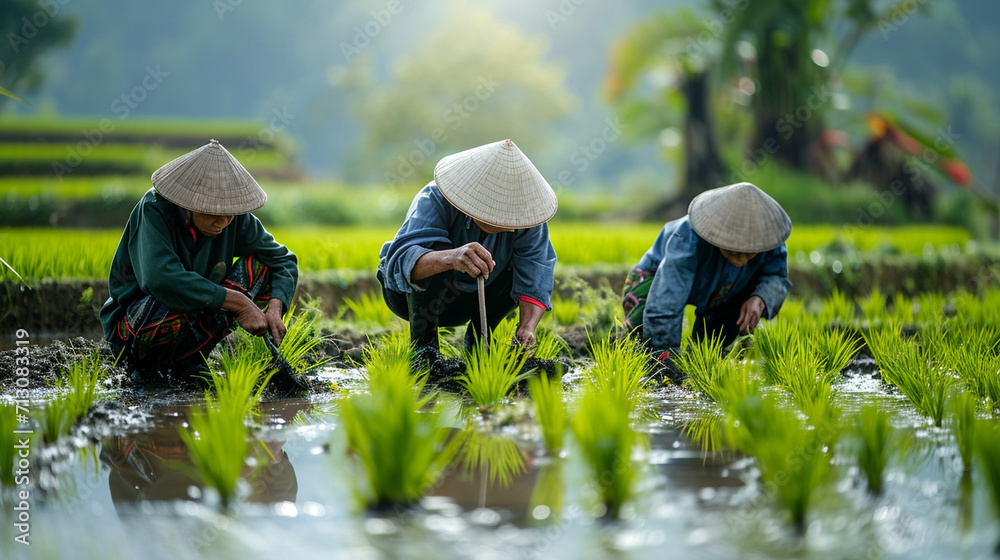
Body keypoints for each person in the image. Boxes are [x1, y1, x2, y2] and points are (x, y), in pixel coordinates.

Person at [100, 139, 299, 382]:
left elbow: (282, 259)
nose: (222, 222)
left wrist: (275, 308)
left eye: (229, 215)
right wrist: (239, 303)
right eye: (213, 213)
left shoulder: (234, 219)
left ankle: (191, 359)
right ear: (189, 203)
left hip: (194, 316)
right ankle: (145, 368)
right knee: (172, 299)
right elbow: (161, 278)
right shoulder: (154, 210)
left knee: (262, 266)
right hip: (137, 324)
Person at [378, 139, 557, 359]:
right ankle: (424, 350)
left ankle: (480, 342)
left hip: (475, 303)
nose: (507, 224)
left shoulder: (527, 218)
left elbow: (536, 272)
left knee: (519, 271)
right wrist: (452, 258)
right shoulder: (435, 198)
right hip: (411, 298)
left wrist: (527, 327)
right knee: (436, 249)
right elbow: (402, 262)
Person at [623, 182, 792, 370]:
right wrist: (665, 361)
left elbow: (776, 276)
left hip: (724, 290)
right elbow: (666, 303)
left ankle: (700, 362)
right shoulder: (687, 237)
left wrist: (760, 297)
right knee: (644, 342)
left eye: (749, 252)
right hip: (657, 281)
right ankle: (633, 349)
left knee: (706, 356)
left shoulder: (768, 240)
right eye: (733, 249)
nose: (740, 259)